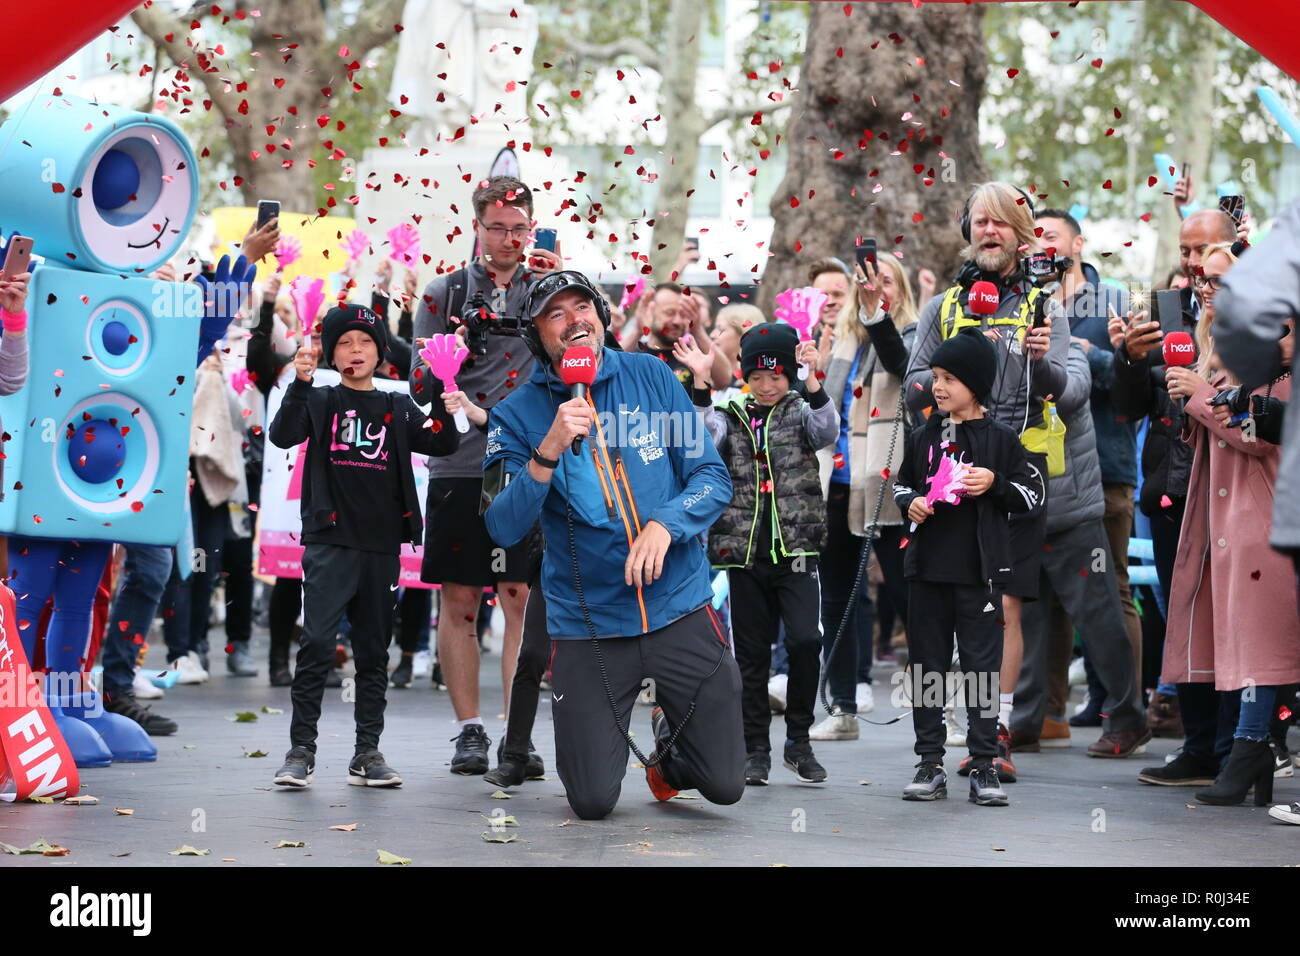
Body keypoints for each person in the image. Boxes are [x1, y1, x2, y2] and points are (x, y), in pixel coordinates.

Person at [483, 270, 742, 820]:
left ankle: (668, 745)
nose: (576, 320)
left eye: (584, 307)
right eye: (557, 313)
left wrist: (666, 525)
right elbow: (500, 526)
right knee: (593, 801)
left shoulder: (650, 374)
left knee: (725, 786)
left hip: (679, 606)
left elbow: (712, 478)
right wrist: (548, 450)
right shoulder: (515, 415)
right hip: (590, 624)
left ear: (602, 316)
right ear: (536, 336)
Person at [904, 182, 1065, 779]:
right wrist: (949, 379)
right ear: (967, 230)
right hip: (945, 474)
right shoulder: (941, 306)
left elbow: (1072, 392)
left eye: (1001, 222)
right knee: (942, 608)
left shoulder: (1046, 305)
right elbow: (913, 382)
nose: (989, 232)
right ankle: (939, 740)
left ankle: (990, 733)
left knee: (1006, 610)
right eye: (980, 222)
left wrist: (1041, 362)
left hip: (1012, 475)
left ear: (1022, 234)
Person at [270, 303, 458, 788]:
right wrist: (300, 381)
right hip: (329, 541)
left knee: (374, 651)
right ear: (332, 354)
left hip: (381, 547)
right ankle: (300, 750)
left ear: (380, 353)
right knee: (315, 643)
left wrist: (440, 385)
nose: (356, 351)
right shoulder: (320, 399)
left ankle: (367, 753)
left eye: (365, 342)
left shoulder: (397, 406)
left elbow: (443, 442)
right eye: (345, 344)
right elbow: (282, 434)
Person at [408, 176, 560, 774]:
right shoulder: (443, 292)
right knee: (462, 599)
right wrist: (455, 343)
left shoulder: (546, 287)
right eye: (498, 228)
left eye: (519, 229)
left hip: (524, 460)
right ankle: (469, 730)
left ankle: (514, 733)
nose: (509, 239)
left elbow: (582, 349)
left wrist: (559, 285)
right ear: (477, 227)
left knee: (519, 594)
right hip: (459, 462)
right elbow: (420, 383)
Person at [1109, 209, 1244, 786]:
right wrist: (1130, 359)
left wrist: (1203, 388)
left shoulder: (1255, 320)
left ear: (1231, 251)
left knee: (1232, 624)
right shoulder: (1167, 311)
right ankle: (1198, 746)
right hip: (1169, 492)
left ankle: (1241, 745)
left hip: (1230, 494)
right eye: (1186, 251)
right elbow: (1132, 407)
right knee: (1184, 618)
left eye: (1202, 251)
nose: (1191, 263)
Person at [1162, 243, 1298, 806]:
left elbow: (1260, 433)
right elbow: (1222, 428)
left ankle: (1250, 747)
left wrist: (1201, 397)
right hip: (1230, 517)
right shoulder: (1232, 353)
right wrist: (1195, 394)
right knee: (1243, 642)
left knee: (1262, 644)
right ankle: (1250, 752)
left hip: (1265, 519)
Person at [677, 322, 838, 785]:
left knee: (807, 641)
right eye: (758, 377)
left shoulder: (801, 411)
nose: (768, 386)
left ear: (789, 375)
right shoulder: (731, 414)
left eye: (777, 376)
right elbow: (700, 439)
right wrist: (703, 385)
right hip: (743, 555)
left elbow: (827, 430)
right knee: (750, 655)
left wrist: (812, 380)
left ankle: (799, 741)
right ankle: (755, 749)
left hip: (797, 552)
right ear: (747, 376)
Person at [893, 329, 1042, 806]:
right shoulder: (921, 437)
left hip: (980, 578)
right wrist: (912, 502)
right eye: (935, 377)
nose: (938, 387)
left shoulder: (1001, 440)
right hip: (926, 574)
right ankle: (929, 762)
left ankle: (984, 764)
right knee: (927, 669)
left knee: (980, 669)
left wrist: (996, 483)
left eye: (950, 378)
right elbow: (900, 486)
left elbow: (1032, 496)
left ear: (976, 386)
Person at [1010, 338, 1150, 757]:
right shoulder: (995, 344)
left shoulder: (1069, 349)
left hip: (1073, 510)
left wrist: (1034, 357)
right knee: (1027, 623)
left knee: (1101, 618)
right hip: (1020, 507)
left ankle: (1128, 720)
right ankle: (1023, 722)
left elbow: (1069, 392)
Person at [1032, 208, 1143, 738]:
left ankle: (1123, 714)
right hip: (1043, 474)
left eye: (1052, 236)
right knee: (1045, 596)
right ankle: (1048, 713)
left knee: (1109, 590)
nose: (1043, 245)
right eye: (1035, 237)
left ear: (1078, 243)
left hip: (1105, 467)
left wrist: (1088, 356)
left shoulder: (1114, 300)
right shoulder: (1025, 300)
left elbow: (1139, 383)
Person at [812, 255, 917, 740]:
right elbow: (821, 413)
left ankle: (944, 712)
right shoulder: (840, 344)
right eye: (868, 283)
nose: (876, 287)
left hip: (890, 486)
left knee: (911, 600)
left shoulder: (914, 333)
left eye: (887, 280)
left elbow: (903, 369)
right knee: (836, 601)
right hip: (837, 483)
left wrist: (877, 317)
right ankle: (842, 709)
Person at [631, 281, 732, 393]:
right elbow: (608, 367)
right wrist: (637, 331)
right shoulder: (632, 355)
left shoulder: (694, 356)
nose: (677, 321)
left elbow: (723, 380)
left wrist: (697, 329)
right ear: (650, 312)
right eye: (669, 313)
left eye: (684, 314)